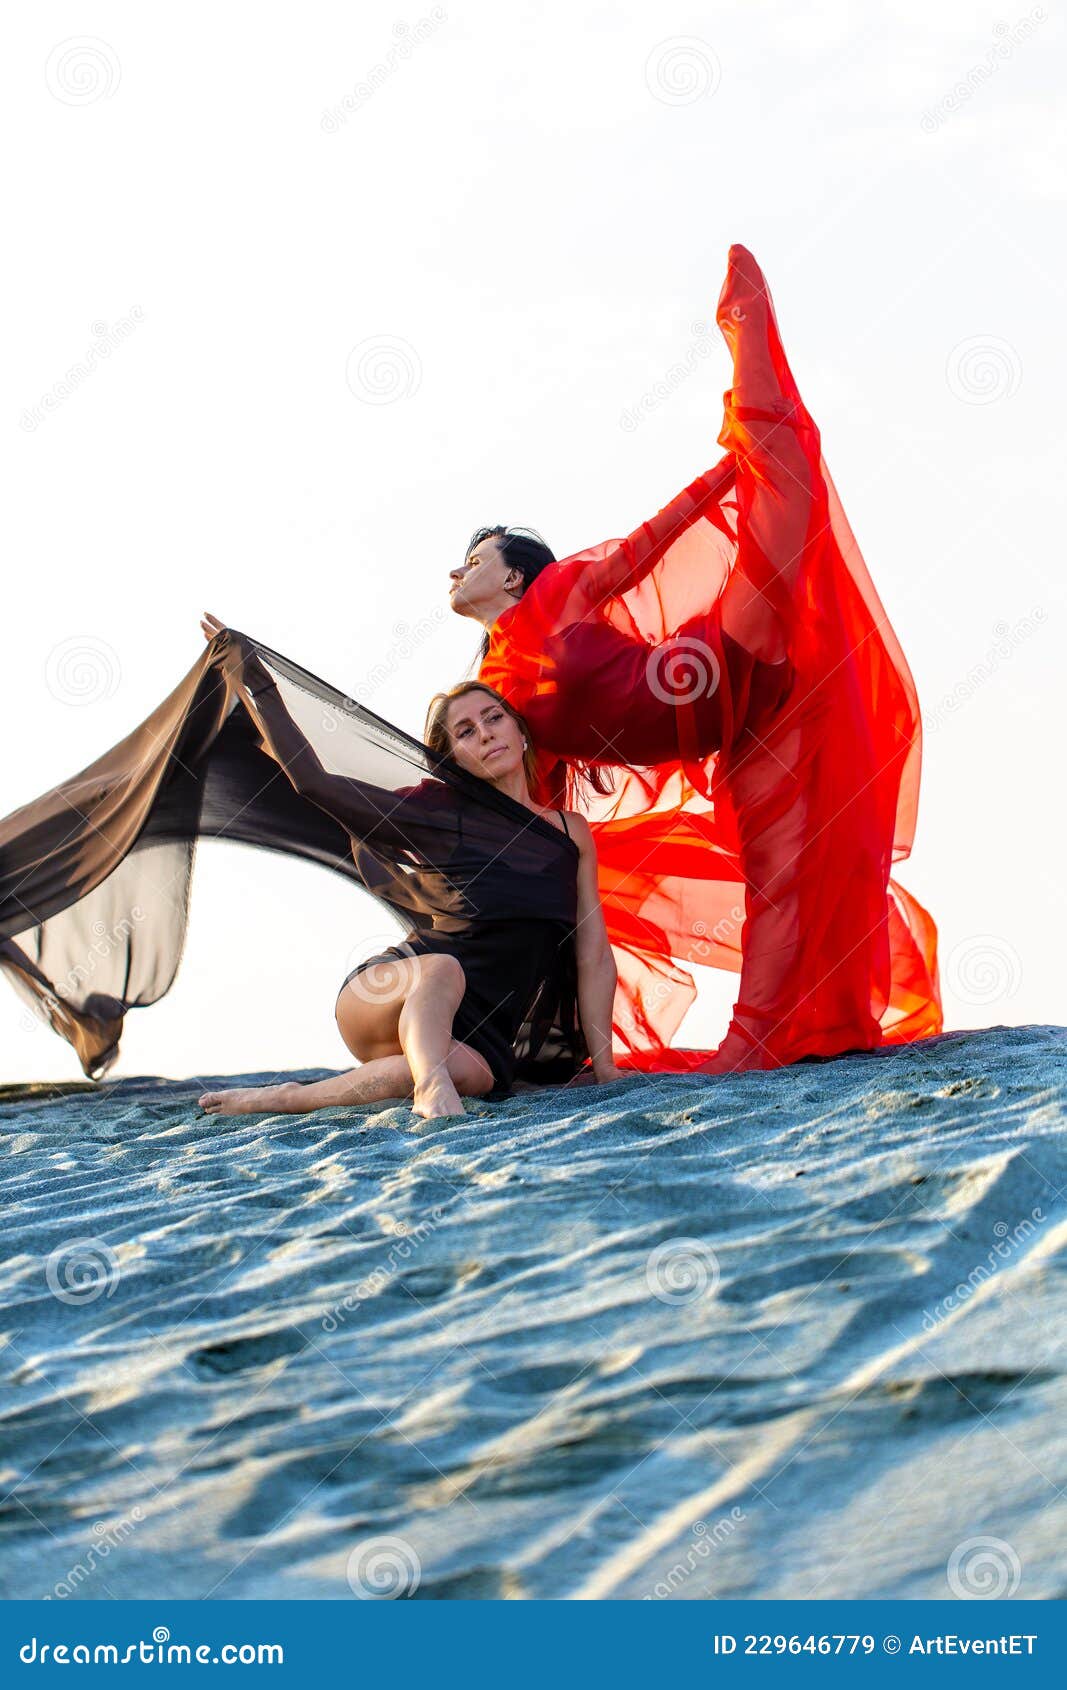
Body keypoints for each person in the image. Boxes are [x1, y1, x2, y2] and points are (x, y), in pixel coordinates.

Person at [448, 244, 942, 1074]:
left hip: (730, 656)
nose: (455, 573)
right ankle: (778, 1036)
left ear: (511, 572)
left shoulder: (560, 593)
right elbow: (497, 792)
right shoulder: (490, 696)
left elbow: (649, 542)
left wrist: (730, 472)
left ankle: (756, 377)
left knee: (786, 496)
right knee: (778, 885)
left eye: (472, 558)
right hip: (734, 734)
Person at [195, 616, 620, 1119]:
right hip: (389, 992)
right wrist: (256, 681)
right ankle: (431, 1087)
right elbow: (315, 783)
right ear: (454, 760)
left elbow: (591, 956)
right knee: (443, 970)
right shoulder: (436, 813)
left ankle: (287, 1097)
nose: (485, 734)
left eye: (494, 718)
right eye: (466, 731)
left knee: (462, 1075)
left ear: (521, 733)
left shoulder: (570, 833)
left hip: (480, 1030)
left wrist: (607, 1066)